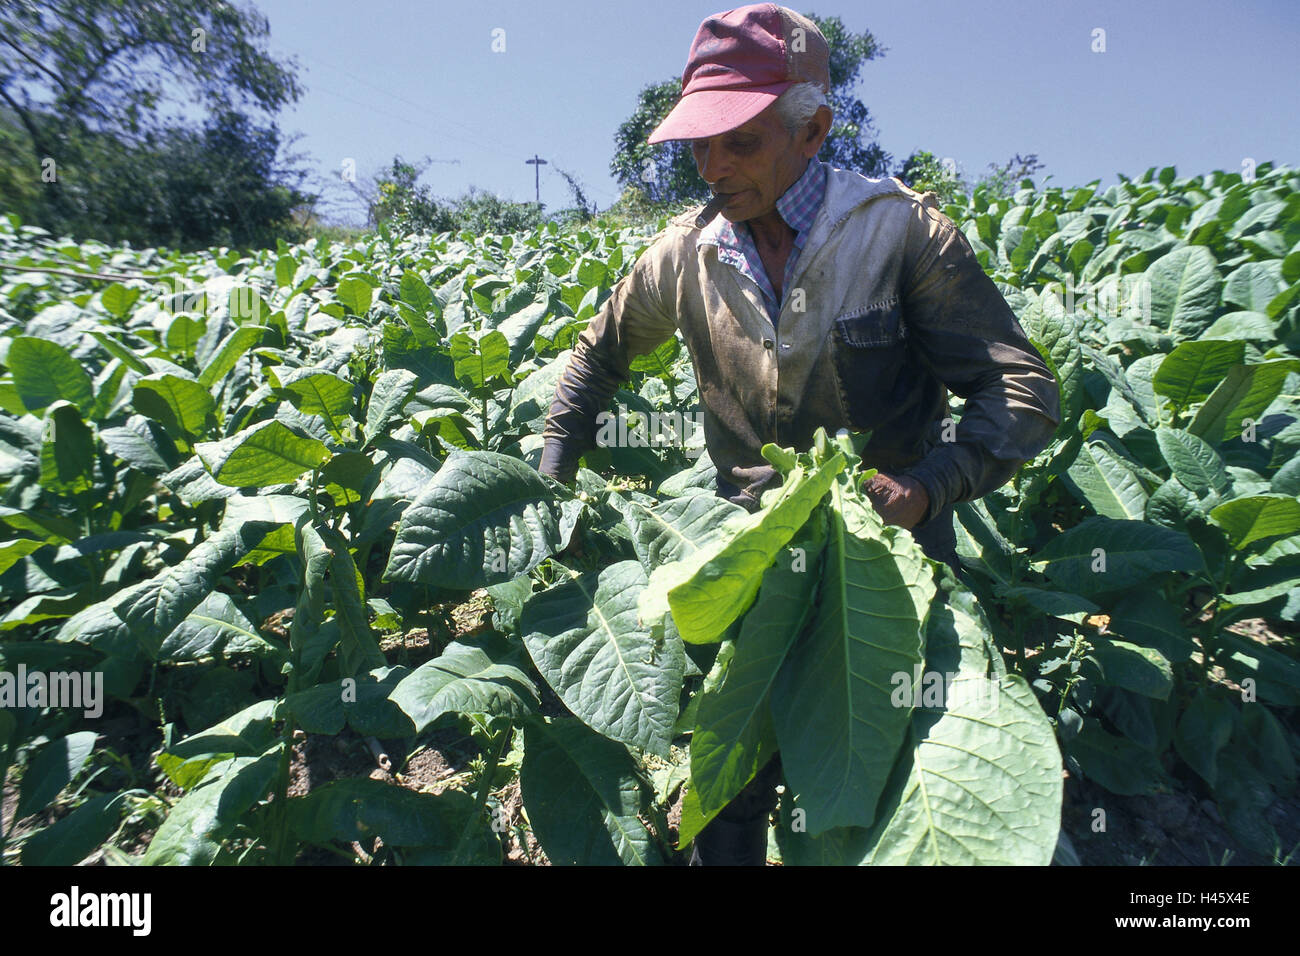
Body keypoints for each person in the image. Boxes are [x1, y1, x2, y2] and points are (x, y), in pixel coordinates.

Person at [538, 3, 1062, 865]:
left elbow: (1021, 387)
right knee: (733, 771)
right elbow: (594, 362)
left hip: (896, 562)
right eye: (699, 144)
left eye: (737, 140)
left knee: (896, 779)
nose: (711, 166)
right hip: (750, 557)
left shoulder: (900, 235)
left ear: (812, 128)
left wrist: (929, 485)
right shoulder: (687, 254)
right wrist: (551, 482)